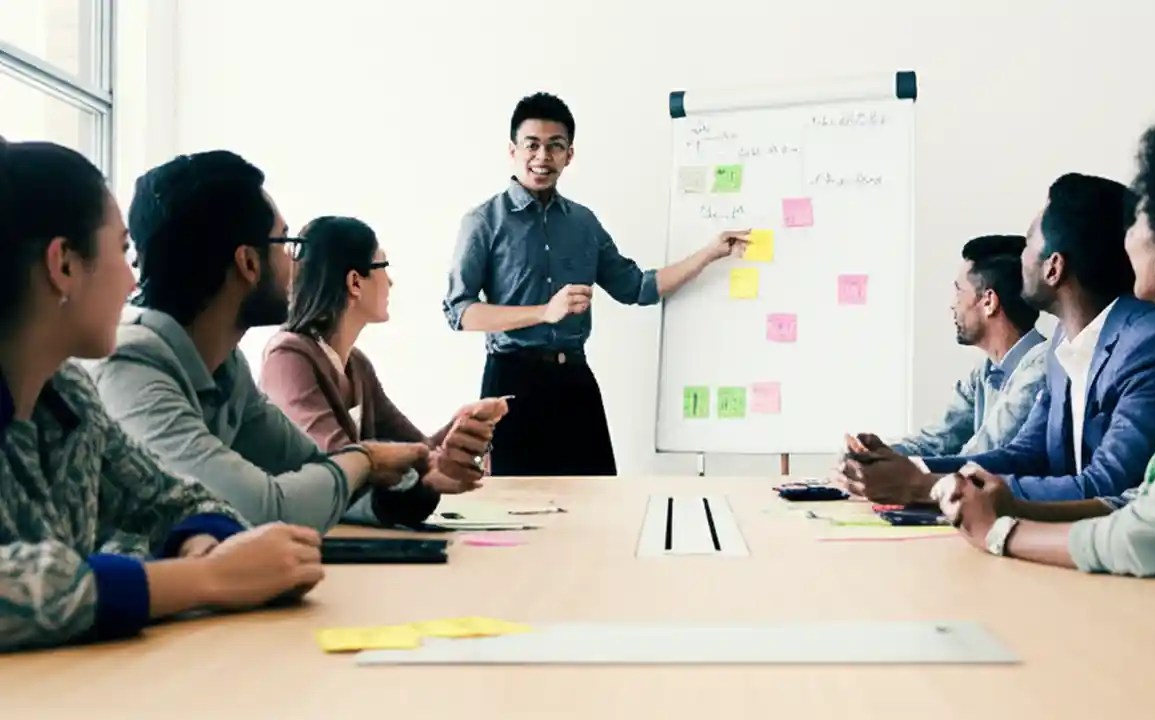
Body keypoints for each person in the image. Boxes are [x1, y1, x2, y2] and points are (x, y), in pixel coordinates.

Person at [947, 104, 1155, 621]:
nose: (1130, 234)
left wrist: (1002, 531)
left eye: (1144, 215)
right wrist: (1005, 503)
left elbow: (1148, 534)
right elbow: (1143, 500)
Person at [0, 140, 323, 652]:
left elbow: (171, 497)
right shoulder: (129, 364)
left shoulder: (70, 397)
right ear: (63, 264)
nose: (133, 281)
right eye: (123, 252)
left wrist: (204, 543)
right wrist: (207, 581)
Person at [88, 151, 491, 533]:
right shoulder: (132, 368)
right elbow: (264, 509)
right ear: (248, 263)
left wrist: (420, 484)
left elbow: (323, 476)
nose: (296, 264)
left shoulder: (226, 368)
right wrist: (364, 460)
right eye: (285, 243)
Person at [443, 92, 749, 477]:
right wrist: (543, 312)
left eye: (555, 147)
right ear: (512, 150)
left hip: (575, 380)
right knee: (514, 510)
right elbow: (459, 312)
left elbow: (637, 288)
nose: (542, 157)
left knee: (597, 505)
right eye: (532, 145)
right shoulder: (484, 221)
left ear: (569, 155)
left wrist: (710, 253)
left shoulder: (583, 223)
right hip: (512, 380)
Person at [842, 173, 1155, 504]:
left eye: (1029, 242)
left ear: (1054, 268)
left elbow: (1108, 486)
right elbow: (1027, 456)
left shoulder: (1149, 342)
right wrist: (909, 469)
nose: (1021, 255)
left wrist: (927, 487)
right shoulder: (1062, 345)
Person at [260, 216, 508, 508]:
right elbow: (337, 459)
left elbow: (420, 450)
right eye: (382, 267)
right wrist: (431, 467)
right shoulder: (287, 358)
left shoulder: (356, 365)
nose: (389, 281)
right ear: (355, 282)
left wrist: (462, 426)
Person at [888, 234, 1047, 458]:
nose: (953, 305)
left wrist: (893, 471)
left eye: (959, 291)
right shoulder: (984, 371)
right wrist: (877, 456)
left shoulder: (1040, 371)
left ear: (989, 302)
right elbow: (936, 442)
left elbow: (980, 458)